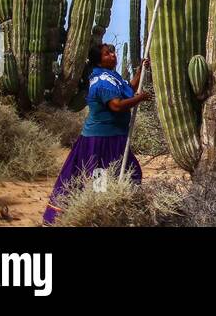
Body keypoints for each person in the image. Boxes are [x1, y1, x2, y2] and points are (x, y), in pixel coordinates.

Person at [42, 43, 151, 225]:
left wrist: (140, 72)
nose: (113, 55)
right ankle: (96, 213)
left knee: (127, 174)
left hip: (114, 137)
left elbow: (128, 90)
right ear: (98, 60)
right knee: (100, 177)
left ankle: (111, 214)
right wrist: (140, 99)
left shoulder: (112, 77)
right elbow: (115, 105)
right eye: (107, 54)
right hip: (100, 140)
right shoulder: (101, 80)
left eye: (113, 52)